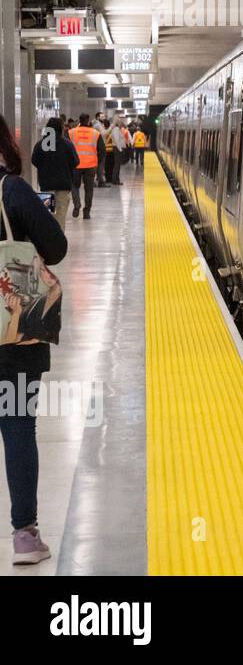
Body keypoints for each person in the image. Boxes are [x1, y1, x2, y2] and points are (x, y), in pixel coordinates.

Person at [0, 115, 67, 565]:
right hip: (13, 329)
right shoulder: (11, 190)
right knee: (18, 423)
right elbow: (56, 246)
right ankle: (25, 536)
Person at [29, 117, 78, 228]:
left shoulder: (40, 145)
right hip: (63, 186)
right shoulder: (67, 144)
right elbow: (75, 162)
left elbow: (34, 161)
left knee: (47, 216)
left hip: (46, 185)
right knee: (60, 216)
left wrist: (45, 168)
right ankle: (59, 241)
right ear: (61, 129)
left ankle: (48, 240)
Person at [69, 114, 102, 220]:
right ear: (88, 121)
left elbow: (66, 147)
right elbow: (102, 150)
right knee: (89, 189)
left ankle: (77, 204)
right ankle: (87, 212)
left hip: (75, 165)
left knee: (74, 186)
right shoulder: (96, 133)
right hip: (91, 165)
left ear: (80, 121)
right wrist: (98, 162)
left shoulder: (71, 132)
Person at [108, 120, 127, 184]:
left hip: (118, 148)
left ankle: (116, 180)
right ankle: (115, 180)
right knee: (117, 165)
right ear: (117, 123)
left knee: (118, 165)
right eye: (120, 123)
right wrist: (120, 149)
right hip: (117, 149)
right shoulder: (116, 130)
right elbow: (117, 140)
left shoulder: (118, 129)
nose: (122, 124)